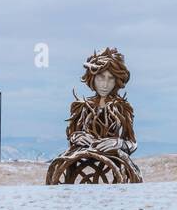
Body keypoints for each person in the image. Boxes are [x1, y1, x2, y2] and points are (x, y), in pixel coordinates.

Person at [46, 47, 142, 184]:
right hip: (81, 157)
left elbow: (132, 143)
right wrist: (76, 137)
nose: (105, 84)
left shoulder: (122, 108)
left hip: (116, 163)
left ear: (117, 81)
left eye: (110, 78)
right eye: (101, 77)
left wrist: (119, 143)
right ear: (92, 77)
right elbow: (71, 136)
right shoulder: (81, 107)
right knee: (58, 166)